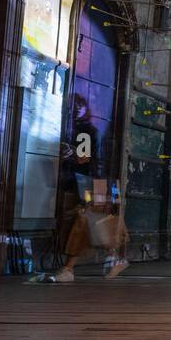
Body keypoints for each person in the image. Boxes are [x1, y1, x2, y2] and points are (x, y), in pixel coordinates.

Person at [52, 95, 129, 282]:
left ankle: (69, 269)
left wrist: (66, 154)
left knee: (84, 221)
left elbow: (82, 158)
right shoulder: (86, 129)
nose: (73, 109)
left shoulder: (83, 130)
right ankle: (113, 258)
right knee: (93, 222)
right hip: (96, 184)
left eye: (77, 106)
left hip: (89, 185)